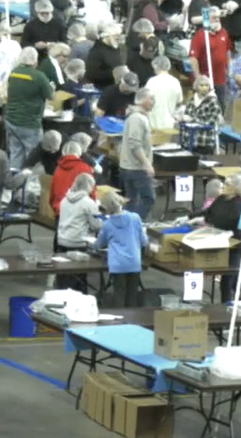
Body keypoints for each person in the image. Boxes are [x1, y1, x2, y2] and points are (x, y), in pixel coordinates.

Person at [95, 190, 146, 307]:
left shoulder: (107, 224)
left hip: (118, 265)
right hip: (134, 262)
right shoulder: (135, 218)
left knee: (119, 296)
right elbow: (143, 241)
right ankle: (132, 322)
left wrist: (93, 245)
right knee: (132, 297)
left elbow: (100, 244)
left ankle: (119, 322)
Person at [5, 47, 54, 169]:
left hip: (11, 119)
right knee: (33, 158)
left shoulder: (14, 72)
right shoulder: (38, 76)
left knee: (15, 154)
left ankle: (13, 183)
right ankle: (30, 185)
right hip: (29, 123)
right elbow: (51, 96)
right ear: (35, 60)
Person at [57, 174, 100, 285]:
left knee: (63, 274)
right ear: (88, 186)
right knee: (79, 278)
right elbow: (97, 225)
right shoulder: (88, 202)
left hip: (62, 240)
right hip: (78, 243)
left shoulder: (64, 200)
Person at [120, 88, 156, 220]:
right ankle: (134, 224)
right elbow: (135, 144)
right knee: (148, 198)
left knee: (131, 200)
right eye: (151, 99)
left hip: (129, 166)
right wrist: (146, 163)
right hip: (135, 168)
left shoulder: (136, 117)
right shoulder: (137, 118)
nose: (153, 102)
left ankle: (126, 226)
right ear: (143, 100)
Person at [180, 76, 222, 154]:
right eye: (201, 85)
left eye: (207, 85)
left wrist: (192, 119)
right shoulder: (191, 100)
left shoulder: (213, 102)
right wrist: (181, 118)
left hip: (204, 142)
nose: (204, 88)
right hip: (188, 141)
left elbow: (211, 122)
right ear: (196, 87)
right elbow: (186, 115)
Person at [86, 22, 125, 90]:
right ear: (106, 36)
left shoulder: (116, 48)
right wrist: (113, 73)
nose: (118, 38)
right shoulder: (96, 52)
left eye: (119, 35)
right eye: (116, 35)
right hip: (101, 89)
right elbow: (92, 75)